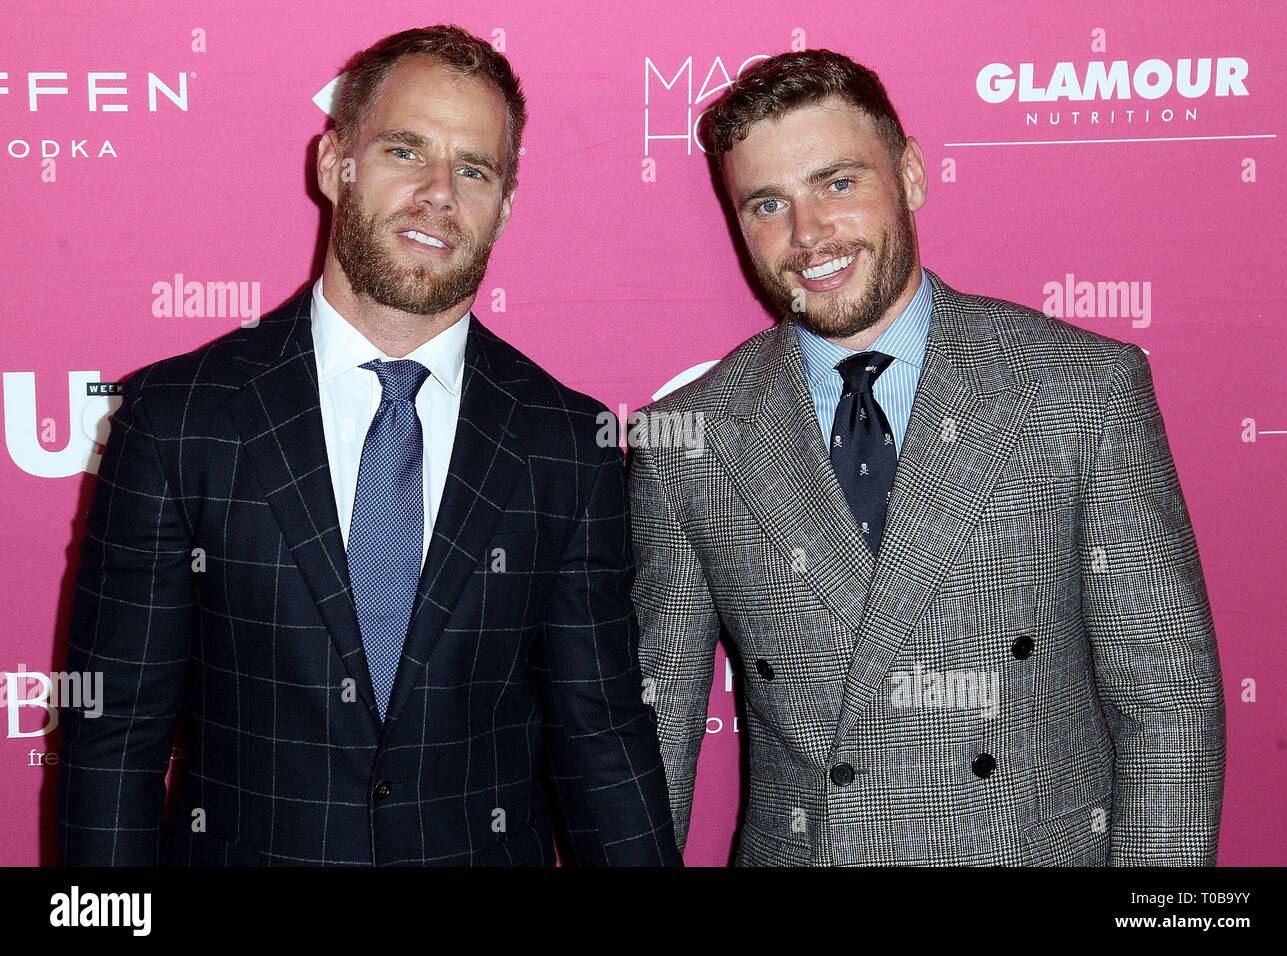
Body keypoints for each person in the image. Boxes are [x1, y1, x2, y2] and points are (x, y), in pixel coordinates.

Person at [58, 24, 678, 867]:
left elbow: (601, 736)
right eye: (403, 151)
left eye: (474, 169)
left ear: (505, 202)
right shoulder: (178, 419)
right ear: (331, 164)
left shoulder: (567, 441)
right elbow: (113, 745)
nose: (437, 193)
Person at [630, 49, 1225, 866]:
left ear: (909, 173)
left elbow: (1168, 702)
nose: (808, 236)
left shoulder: (1082, 389)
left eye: (838, 183)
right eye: (768, 204)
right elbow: (651, 735)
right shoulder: (686, 440)